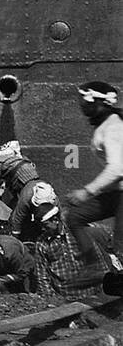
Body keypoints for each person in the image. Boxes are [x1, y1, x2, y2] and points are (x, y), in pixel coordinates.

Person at [66, 81, 123, 268]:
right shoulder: (106, 125)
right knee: (75, 217)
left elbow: (117, 168)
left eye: (84, 103)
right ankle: (92, 265)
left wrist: (87, 191)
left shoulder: (113, 127)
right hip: (116, 193)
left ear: (97, 103)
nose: (82, 107)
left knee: (121, 248)